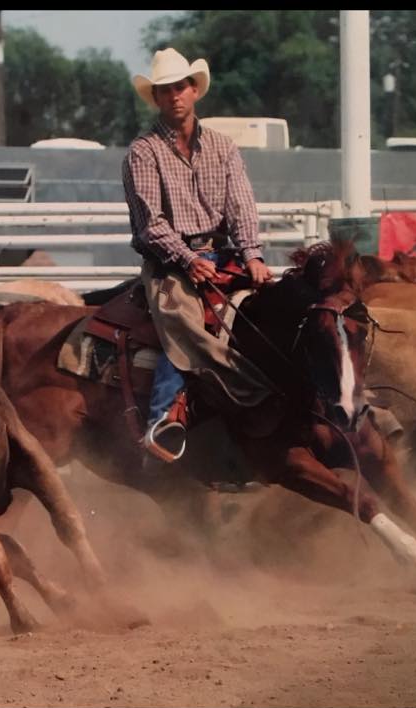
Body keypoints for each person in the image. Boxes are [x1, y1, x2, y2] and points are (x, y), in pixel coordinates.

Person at [122, 48, 276, 463]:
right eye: (165, 90)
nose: (174, 96)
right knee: (185, 323)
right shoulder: (143, 151)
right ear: (156, 98)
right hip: (170, 263)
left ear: (194, 91)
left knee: (280, 308)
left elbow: (241, 207)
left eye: (180, 87)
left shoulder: (224, 148)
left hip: (223, 255)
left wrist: (253, 256)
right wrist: (187, 260)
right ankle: (161, 422)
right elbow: (149, 223)